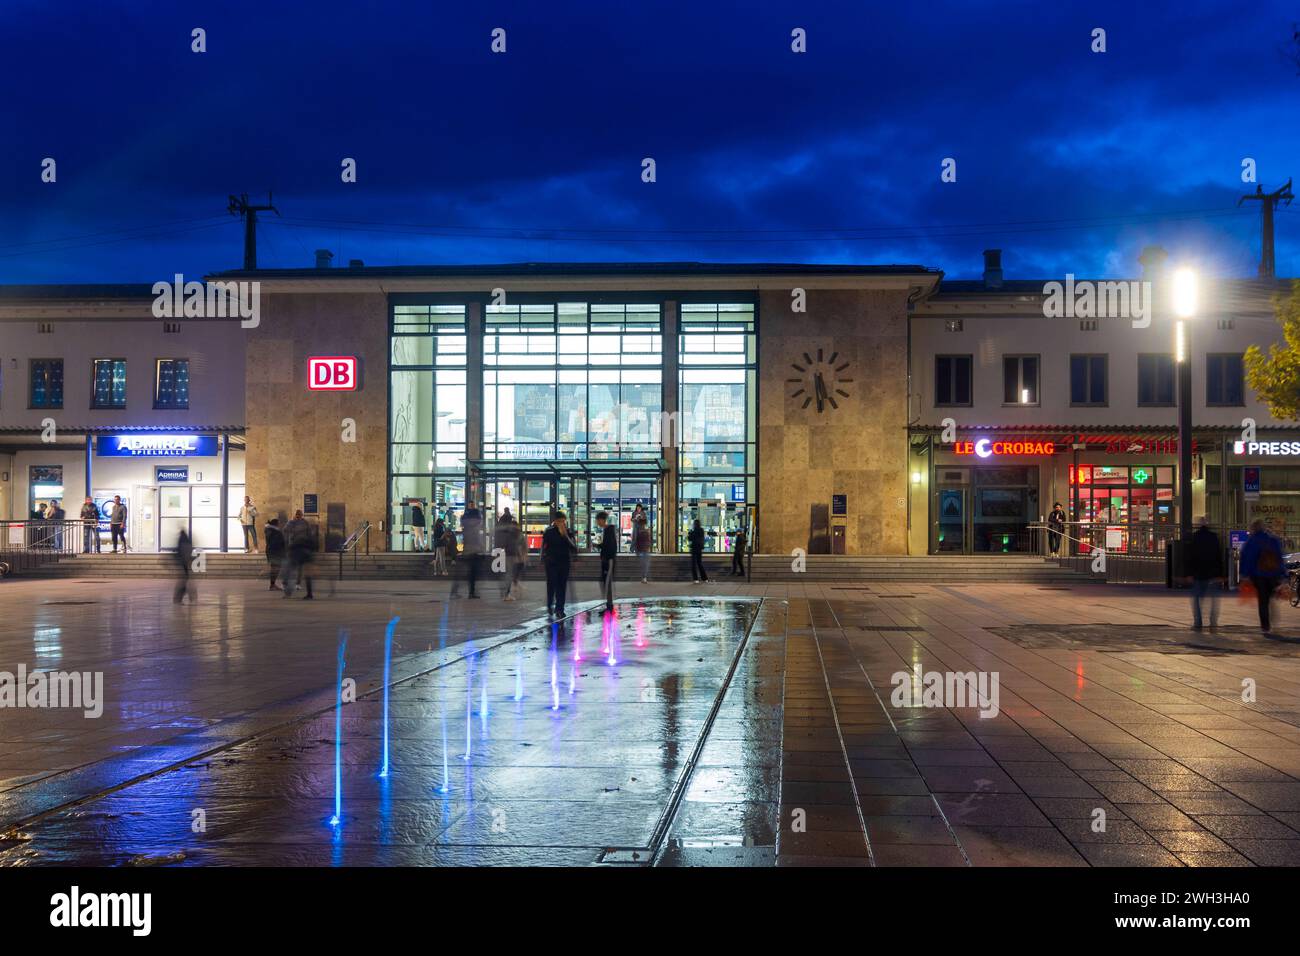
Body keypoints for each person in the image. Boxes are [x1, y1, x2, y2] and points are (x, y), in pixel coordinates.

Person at [1240, 518, 1285, 633]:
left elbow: (1247, 558)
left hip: (1259, 576)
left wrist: (1245, 574)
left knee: (1263, 601)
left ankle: (1265, 626)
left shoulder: (1252, 541)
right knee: (1270, 597)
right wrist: (1282, 574)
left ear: (1253, 528)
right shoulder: (1273, 539)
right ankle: (1274, 617)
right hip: (1273, 575)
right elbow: (1279, 557)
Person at [1184, 516, 1224, 631]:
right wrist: (1220, 573)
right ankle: (1213, 623)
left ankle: (1198, 622)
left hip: (1198, 573)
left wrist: (1189, 573)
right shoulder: (1214, 537)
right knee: (1214, 599)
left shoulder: (1195, 537)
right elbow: (1219, 556)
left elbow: (1190, 557)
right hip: (1212, 573)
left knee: (1196, 598)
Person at [542, 510, 578, 617]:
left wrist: (565, 536)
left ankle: (560, 609)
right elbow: (544, 546)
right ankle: (550, 604)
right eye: (559, 521)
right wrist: (542, 559)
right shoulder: (549, 531)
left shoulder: (568, 532)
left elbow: (574, 548)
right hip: (551, 563)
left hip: (564, 562)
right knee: (552, 584)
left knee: (561, 586)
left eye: (563, 521)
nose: (562, 523)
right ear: (555, 521)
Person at [452, 502, 485, 598]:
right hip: (472, 552)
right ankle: (470, 592)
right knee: (471, 573)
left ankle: (458, 591)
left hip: (467, 551)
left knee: (466, 573)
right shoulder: (474, 527)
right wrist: (480, 548)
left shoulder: (465, 524)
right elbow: (475, 539)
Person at [281, 510, 309, 598]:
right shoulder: (291, 522)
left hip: (301, 547)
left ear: (302, 515)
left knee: (300, 567)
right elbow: (285, 530)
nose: (298, 516)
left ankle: (297, 583)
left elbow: (308, 533)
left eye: (300, 515)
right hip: (293, 547)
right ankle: (286, 583)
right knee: (289, 567)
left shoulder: (305, 523)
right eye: (297, 515)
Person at [595, 510, 618, 611]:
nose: (597, 522)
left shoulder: (609, 530)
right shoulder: (607, 530)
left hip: (609, 560)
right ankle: (608, 604)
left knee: (607, 582)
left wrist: (599, 546)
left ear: (602, 520)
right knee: (604, 581)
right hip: (606, 559)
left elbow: (610, 545)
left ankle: (609, 606)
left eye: (597, 520)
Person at [173, 528, 195, 604]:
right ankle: (187, 598)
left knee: (184, 582)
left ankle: (179, 599)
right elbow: (189, 552)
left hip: (182, 565)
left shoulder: (180, 542)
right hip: (185, 564)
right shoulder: (187, 542)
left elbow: (178, 553)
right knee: (185, 582)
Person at [264, 517, 286, 590]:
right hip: (275, 552)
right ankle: (272, 585)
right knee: (276, 568)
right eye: (279, 523)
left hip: (271, 551)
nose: (280, 525)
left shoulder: (269, 530)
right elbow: (278, 542)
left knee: (275, 568)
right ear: (276, 524)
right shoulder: (275, 532)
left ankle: (273, 585)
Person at [632, 504, 651, 582]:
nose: (638, 508)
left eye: (639, 507)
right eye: (637, 507)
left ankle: (644, 577)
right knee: (635, 538)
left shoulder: (643, 513)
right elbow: (632, 519)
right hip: (636, 527)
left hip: (644, 548)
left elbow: (645, 520)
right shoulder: (634, 513)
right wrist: (635, 518)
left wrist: (641, 518)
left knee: (644, 562)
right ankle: (644, 577)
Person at [688, 518, 708, 583]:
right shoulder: (701, 530)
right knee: (699, 563)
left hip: (694, 548)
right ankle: (705, 578)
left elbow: (690, 538)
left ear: (694, 524)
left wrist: (690, 533)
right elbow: (702, 538)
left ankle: (696, 579)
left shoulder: (694, 531)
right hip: (699, 549)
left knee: (694, 564)